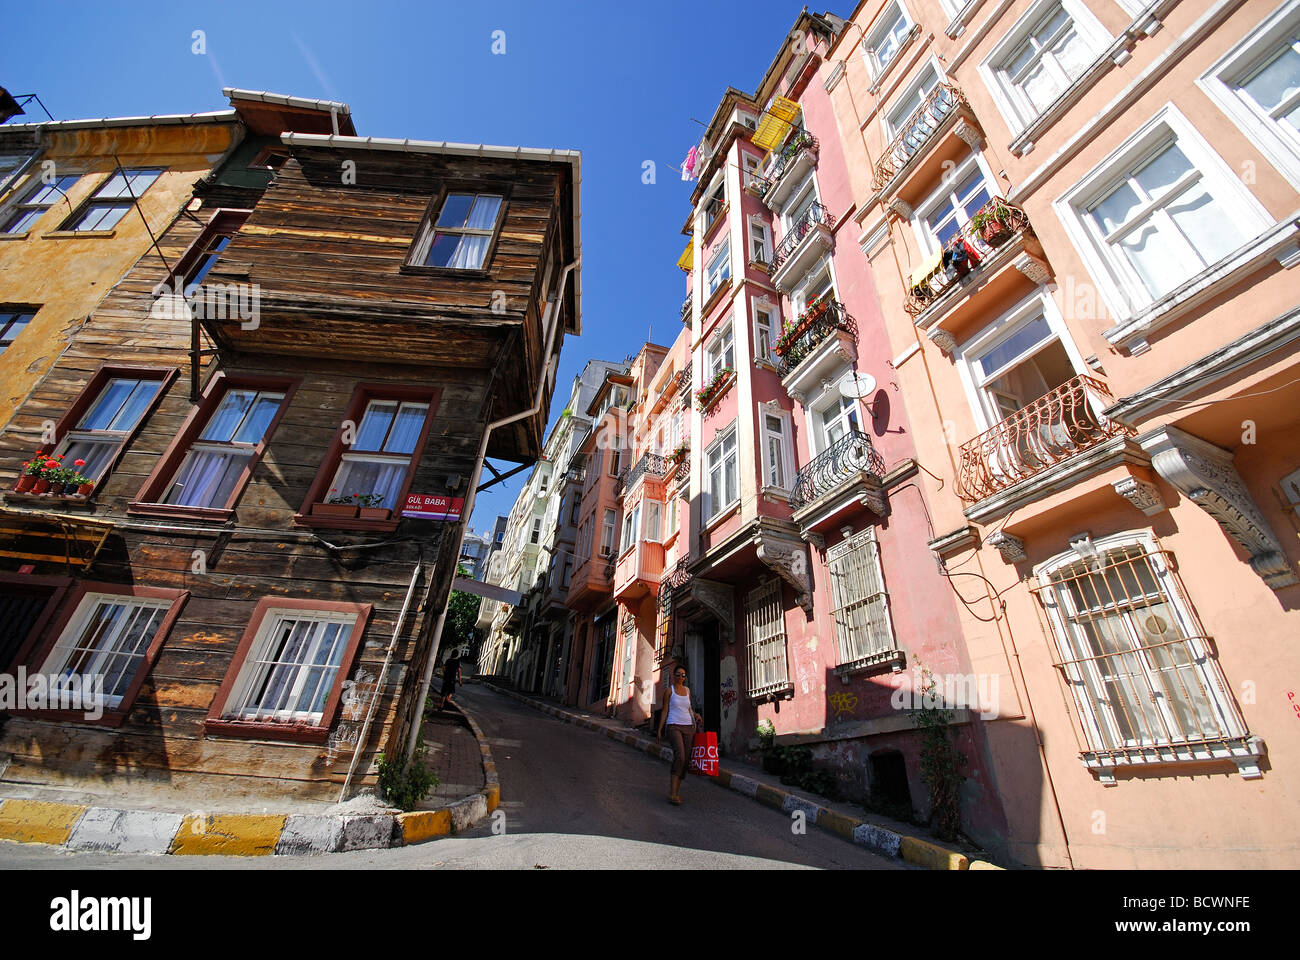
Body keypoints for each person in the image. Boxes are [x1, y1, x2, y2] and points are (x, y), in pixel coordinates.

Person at [655, 664, 703, 805]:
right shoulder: (669, 691)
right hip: (673, 726)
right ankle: (673, 793)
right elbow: (664, 710)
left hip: (689, 727)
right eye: (678, 674)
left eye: (683, 675)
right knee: (680, 756)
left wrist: (696, 715)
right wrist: (659, 729)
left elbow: (688, 708)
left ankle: (676, 790)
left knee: (686, 759)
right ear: (673, 675)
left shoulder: (687, 690)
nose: (681, 677)